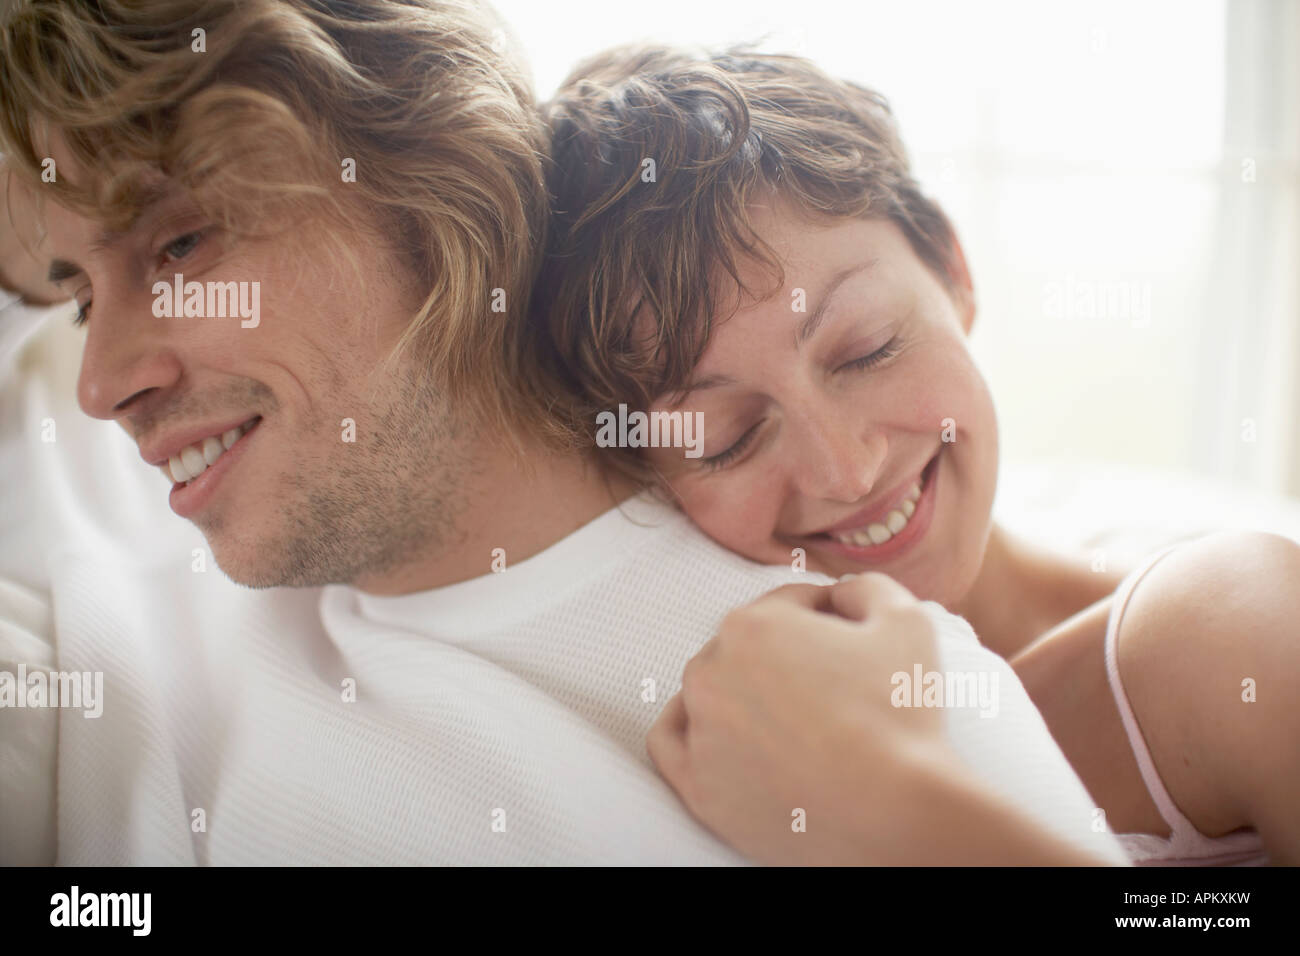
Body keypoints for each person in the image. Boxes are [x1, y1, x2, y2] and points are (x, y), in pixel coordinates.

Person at [0, 0, 1125, 865]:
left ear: (432, 188)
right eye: (80, 295)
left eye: (183, 244)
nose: (101, 382)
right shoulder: (87, 608)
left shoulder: (862, 706)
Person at [533, 44, 1300, 865]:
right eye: (728, 437)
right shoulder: (713, 757)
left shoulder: (1228, 630)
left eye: (869, 349)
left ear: (953, 268)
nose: (846, 471)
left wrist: (900, 807)